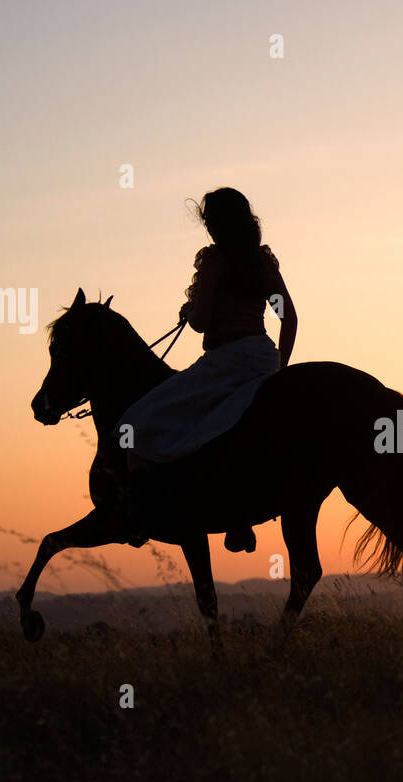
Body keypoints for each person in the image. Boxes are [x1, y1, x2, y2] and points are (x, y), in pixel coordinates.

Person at [117, 188, 298, 550]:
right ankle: (238, 516)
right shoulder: (261, 263)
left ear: (217, 224)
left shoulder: (215, 261)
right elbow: (288, 317)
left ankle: (137, 518)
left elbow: (199, 324)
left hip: (224, 362)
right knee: (224, 428)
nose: (209, 230)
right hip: (262, 359)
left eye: (210, 222)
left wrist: (194, 307)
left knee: (133, 425)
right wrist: (280, 371)